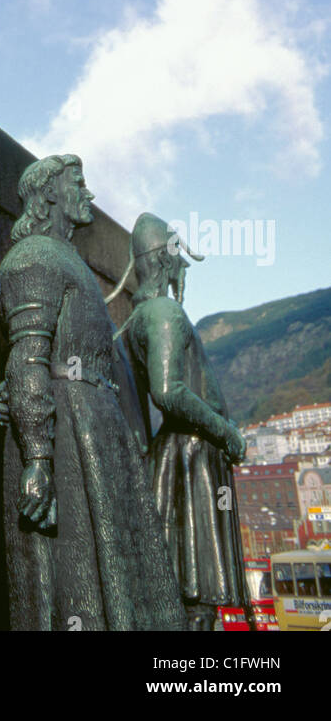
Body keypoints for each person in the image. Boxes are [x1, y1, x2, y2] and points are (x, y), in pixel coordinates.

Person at [0, 155, 186, 631]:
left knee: (120, 585)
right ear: (50, 192)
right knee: (77, 582)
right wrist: (37, 455)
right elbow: (28, 357)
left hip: (94, 432)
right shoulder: (32, 258)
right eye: (78, 182)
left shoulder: (66, 259)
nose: (90, 194)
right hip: (70, 440)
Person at [117, 212, 249, 631]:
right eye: (177, 259)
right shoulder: (165, 313)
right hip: (191, 459)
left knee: (179, 585)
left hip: (172, 457)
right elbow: (168, 390)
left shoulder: (134, 320)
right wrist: (225, 431)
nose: (181, 269)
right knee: (198, 592)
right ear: (163, 261)